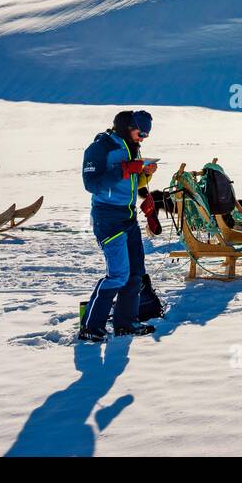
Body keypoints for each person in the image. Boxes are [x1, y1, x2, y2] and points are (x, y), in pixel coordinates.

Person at [79, 110, 157, 341]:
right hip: (107, 217)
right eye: (140, 132)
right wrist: (123, 169)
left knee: (135, 273)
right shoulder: (100, 148)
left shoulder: (131, 147)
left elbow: (130, 183)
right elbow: (91, 184)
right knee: (118, 275)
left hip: (129, 216)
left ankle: (126, 324)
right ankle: (91, 328)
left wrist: (144, 174)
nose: (142, 137)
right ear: (127, 126)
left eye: (146, 135)